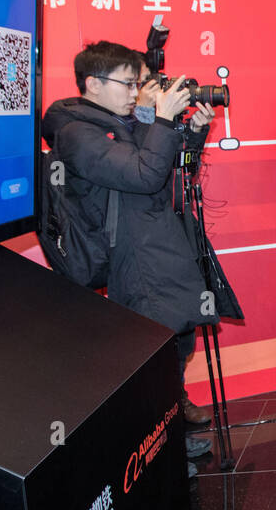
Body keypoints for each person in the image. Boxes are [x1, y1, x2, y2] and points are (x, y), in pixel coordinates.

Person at [42, 41, 219, 462]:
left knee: (175, 343)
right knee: (149, 359)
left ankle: (170, 435)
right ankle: (156, 454)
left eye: (138, 82)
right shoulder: (76, 132)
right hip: (131, 256)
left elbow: (169, 166)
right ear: (93, 84)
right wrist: (159, 117)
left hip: (155, 244)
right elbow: (142, 174)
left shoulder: (116, 119)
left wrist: (191, 130)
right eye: (128, 82)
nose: (136, 90)